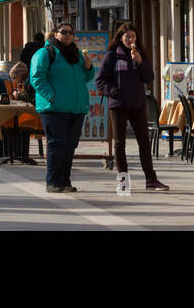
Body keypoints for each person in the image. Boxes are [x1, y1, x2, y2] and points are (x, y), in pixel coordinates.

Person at [97, 23, 169, 191]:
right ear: (120, 38)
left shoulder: (139, 54)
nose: (130, 40)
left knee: (144, 141)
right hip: (118, 105)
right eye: (127, 37)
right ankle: (123, 182)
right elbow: (100, 80)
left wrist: (140, 61)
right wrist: (113, 91)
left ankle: (151, 180)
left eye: (133, 37)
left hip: (137, 104)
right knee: (119, 143)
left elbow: (149, 76)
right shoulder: (112, 55)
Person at [30, 21, 96, 193]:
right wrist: (52, 96)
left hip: (76, 107)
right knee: (57, 144)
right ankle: (52, 182)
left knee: (70, 145)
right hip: (54, 108)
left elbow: (86, 77)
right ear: (55, 34)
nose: (67, 35)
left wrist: (89, 68)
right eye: (63, 32)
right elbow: (37, 78)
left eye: (70, 32)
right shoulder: (45, 53)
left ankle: (65, 181)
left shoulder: (77, 54)